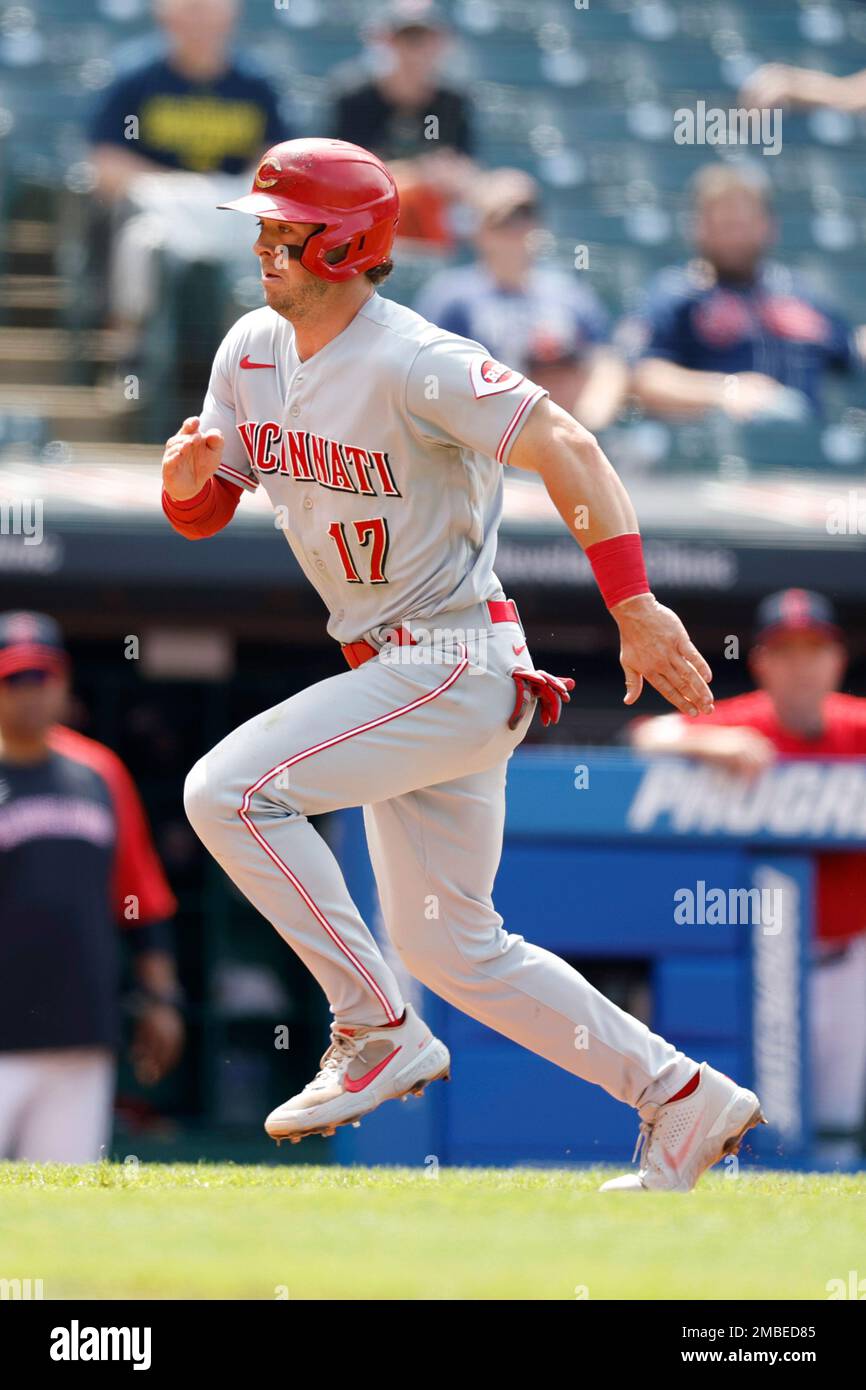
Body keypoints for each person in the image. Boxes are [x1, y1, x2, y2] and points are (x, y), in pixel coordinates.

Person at [160, 136, 765, 1193]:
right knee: (453, 947)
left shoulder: (414, 358)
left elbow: (567, 444)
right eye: (260, 225)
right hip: (401, 671)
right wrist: (184, 485)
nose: (262, 244)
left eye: (282, 229)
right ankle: (678, 1096)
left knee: (228, 791)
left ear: (344, 243)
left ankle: (372, 1026)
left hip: (450, 655)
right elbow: (209, 507)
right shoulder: (249, 349)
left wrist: (632, 604)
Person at [630, 589, 866, 1165]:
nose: (801, 665)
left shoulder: (856, 725)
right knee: (759, 1129)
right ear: (762, 661)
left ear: (837, 660)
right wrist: (712, 742)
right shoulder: (741, 721)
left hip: (848, 961)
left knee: (836, 1129)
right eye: (786, 651)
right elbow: (645, 736)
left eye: (813, 650)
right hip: (756, 961)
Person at [0, 613, 184, 1163]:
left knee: (65, 1206)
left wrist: (162, 1000)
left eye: (42, 677)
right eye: (14, 680)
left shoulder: (99, 772)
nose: (31, 693)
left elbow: (142, 901)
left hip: (82, 1035)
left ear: (63, 682)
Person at [89, 0, 290, 339]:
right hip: (160, 204)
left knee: (277, 235)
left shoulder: (255, 83)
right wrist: (172, 186)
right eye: (190, 10)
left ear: (230, 17)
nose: (200, 22)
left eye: (210, 11)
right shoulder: (135, 78)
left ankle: (264, 347)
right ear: (166, 16)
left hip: (232, 207)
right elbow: (106, 165)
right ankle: (132, 351)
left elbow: (279, 162)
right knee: (140, 242)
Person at [631, 164, 863, 421]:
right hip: (717, 445)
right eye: (724, 224)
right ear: (699, 227)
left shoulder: (797, 293)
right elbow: (644, 377)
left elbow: (850, 350)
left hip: (803, 444)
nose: (735, 236)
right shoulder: (679, 291)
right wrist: (725, 390)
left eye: (744, 223)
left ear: (768, 226)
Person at [416, 168, 627, 432]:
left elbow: (606, 363)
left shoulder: (570, 294)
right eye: (504, 220)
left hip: (562, 437)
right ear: (479, 230)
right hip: (486, 443)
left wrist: (584, 423)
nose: (518, 229)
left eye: (526, 216)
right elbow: (428, 376)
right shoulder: (451, 297)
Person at [331, 0, 475, 247]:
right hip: (365, 216)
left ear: (440, 44)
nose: (415, 52)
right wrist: (412, 177)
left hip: (434, 218)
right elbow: (343, 172)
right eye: (407, 39)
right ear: (386, 42)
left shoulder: (450, 103)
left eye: (423, 40)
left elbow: (462, 170)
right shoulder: (356, 98)